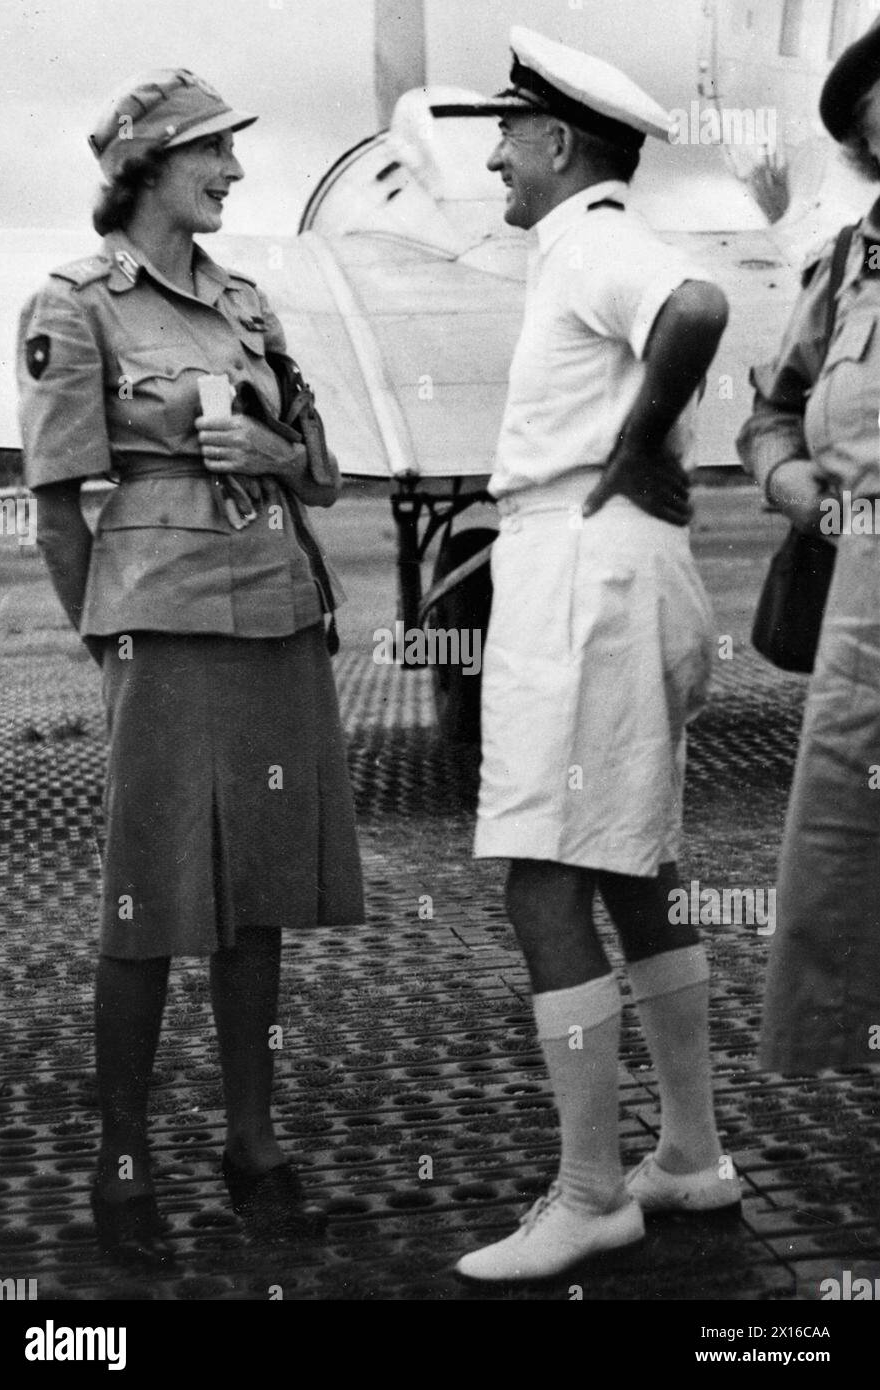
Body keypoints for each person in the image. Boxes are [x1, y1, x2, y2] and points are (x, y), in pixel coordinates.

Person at [16, 69, 364, 1268]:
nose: (234, 172)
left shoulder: (251, 304)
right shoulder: (77, 306)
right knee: (147, 901)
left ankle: (253, 1144)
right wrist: (103, 641)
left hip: (274, 617)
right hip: (159, 634)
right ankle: (123, 1161)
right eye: (214, 153)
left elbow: (320, 470)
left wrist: (268, 443)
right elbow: (58, 507)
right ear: (150, 166)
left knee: (255, 898)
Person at [454, 28, 735, 1284]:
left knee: (538, 877)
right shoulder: (575, 246)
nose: (496, 162)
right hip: (611, 566)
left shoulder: (592, 238)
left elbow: (697, 304)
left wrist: (631, 445)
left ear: (558, 144)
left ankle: (587, 1193)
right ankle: (686, 1155)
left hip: (583, 570)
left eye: (506, 138)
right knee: (633, 869)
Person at [738, 20, 880, 1074]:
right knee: (848, 870)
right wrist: (793, 488)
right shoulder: (843, 267)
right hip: (861, 629)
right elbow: (771, 411)